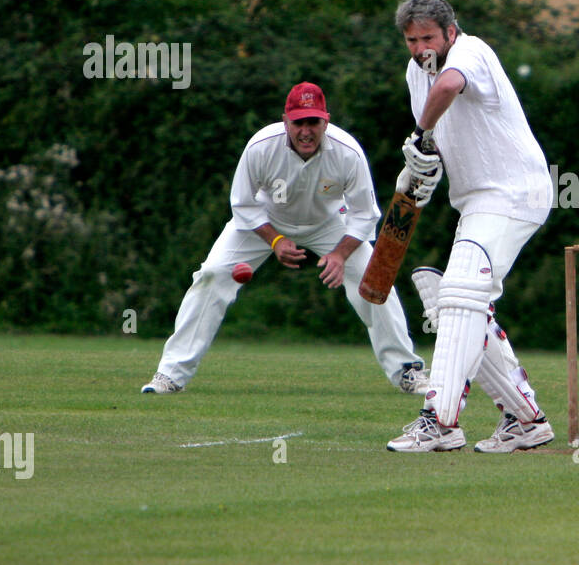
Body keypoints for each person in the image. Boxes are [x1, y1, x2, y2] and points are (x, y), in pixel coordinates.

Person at [141, 82, 429, 396]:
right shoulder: (261, 147)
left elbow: (364, 214)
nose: (306, 131)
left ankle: (406, 371)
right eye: (298, 123)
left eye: (313, 122)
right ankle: (171, 374)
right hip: (266, 220)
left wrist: (339, 255)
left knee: (373, 280)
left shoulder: (348, 153)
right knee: (213, 274)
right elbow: (243, 204)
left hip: (329, 222)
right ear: (285, 121)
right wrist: (275, 240)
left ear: (326, 121)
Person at [381, 0, 555, 453]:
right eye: (412, 40)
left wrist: (417, 135)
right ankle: (525, 419)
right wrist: (418, 166)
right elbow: (436, 148)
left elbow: (447, 89)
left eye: (429, 38)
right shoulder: (415, 73)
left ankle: (439, 421)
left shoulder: (470, 52)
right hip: (475, 201)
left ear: (450, 32)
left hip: (516, 191)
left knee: (459, 294)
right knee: (461, 303)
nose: (421, 49)